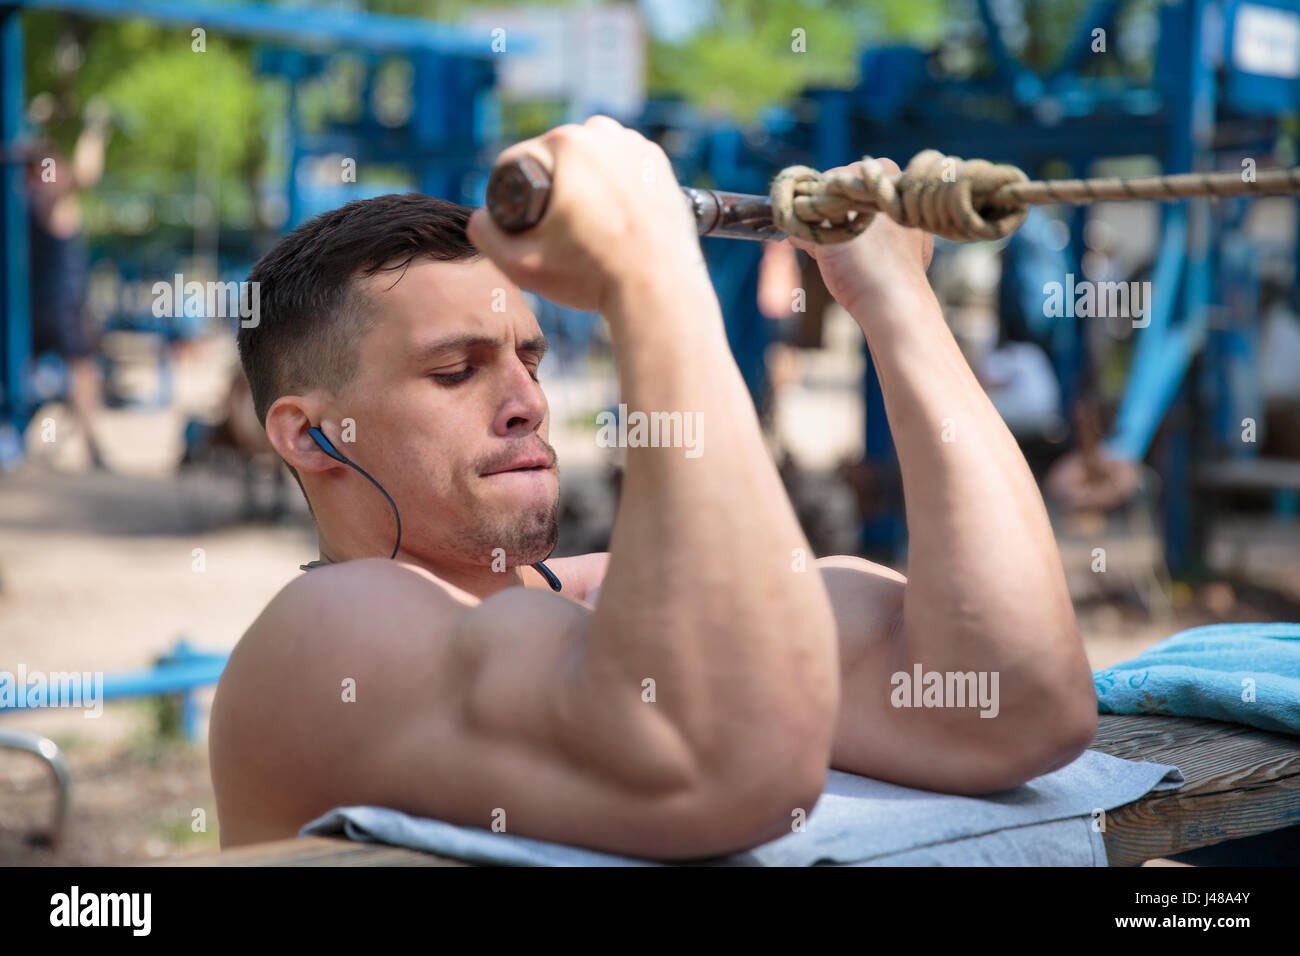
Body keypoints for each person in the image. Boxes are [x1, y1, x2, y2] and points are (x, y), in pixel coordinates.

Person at [210, 117, 1097, 858]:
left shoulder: (605, 604)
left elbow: (1010, 704)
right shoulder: (323, 642)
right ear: (311, 434)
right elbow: (711, 758)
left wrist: (895, 300)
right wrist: (651, 275)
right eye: (454, 370)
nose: (526, 404)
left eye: (531, 358)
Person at [25, 100, 111, 469]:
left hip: (33, 304)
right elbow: (86, 173)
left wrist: (36, 121)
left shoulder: (29, 196)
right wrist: (96, 130)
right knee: (82, 371)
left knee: (57, 371)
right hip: (59, 304)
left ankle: (73, 444)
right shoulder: (50, 198)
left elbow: (43, 161)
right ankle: (91, 447)